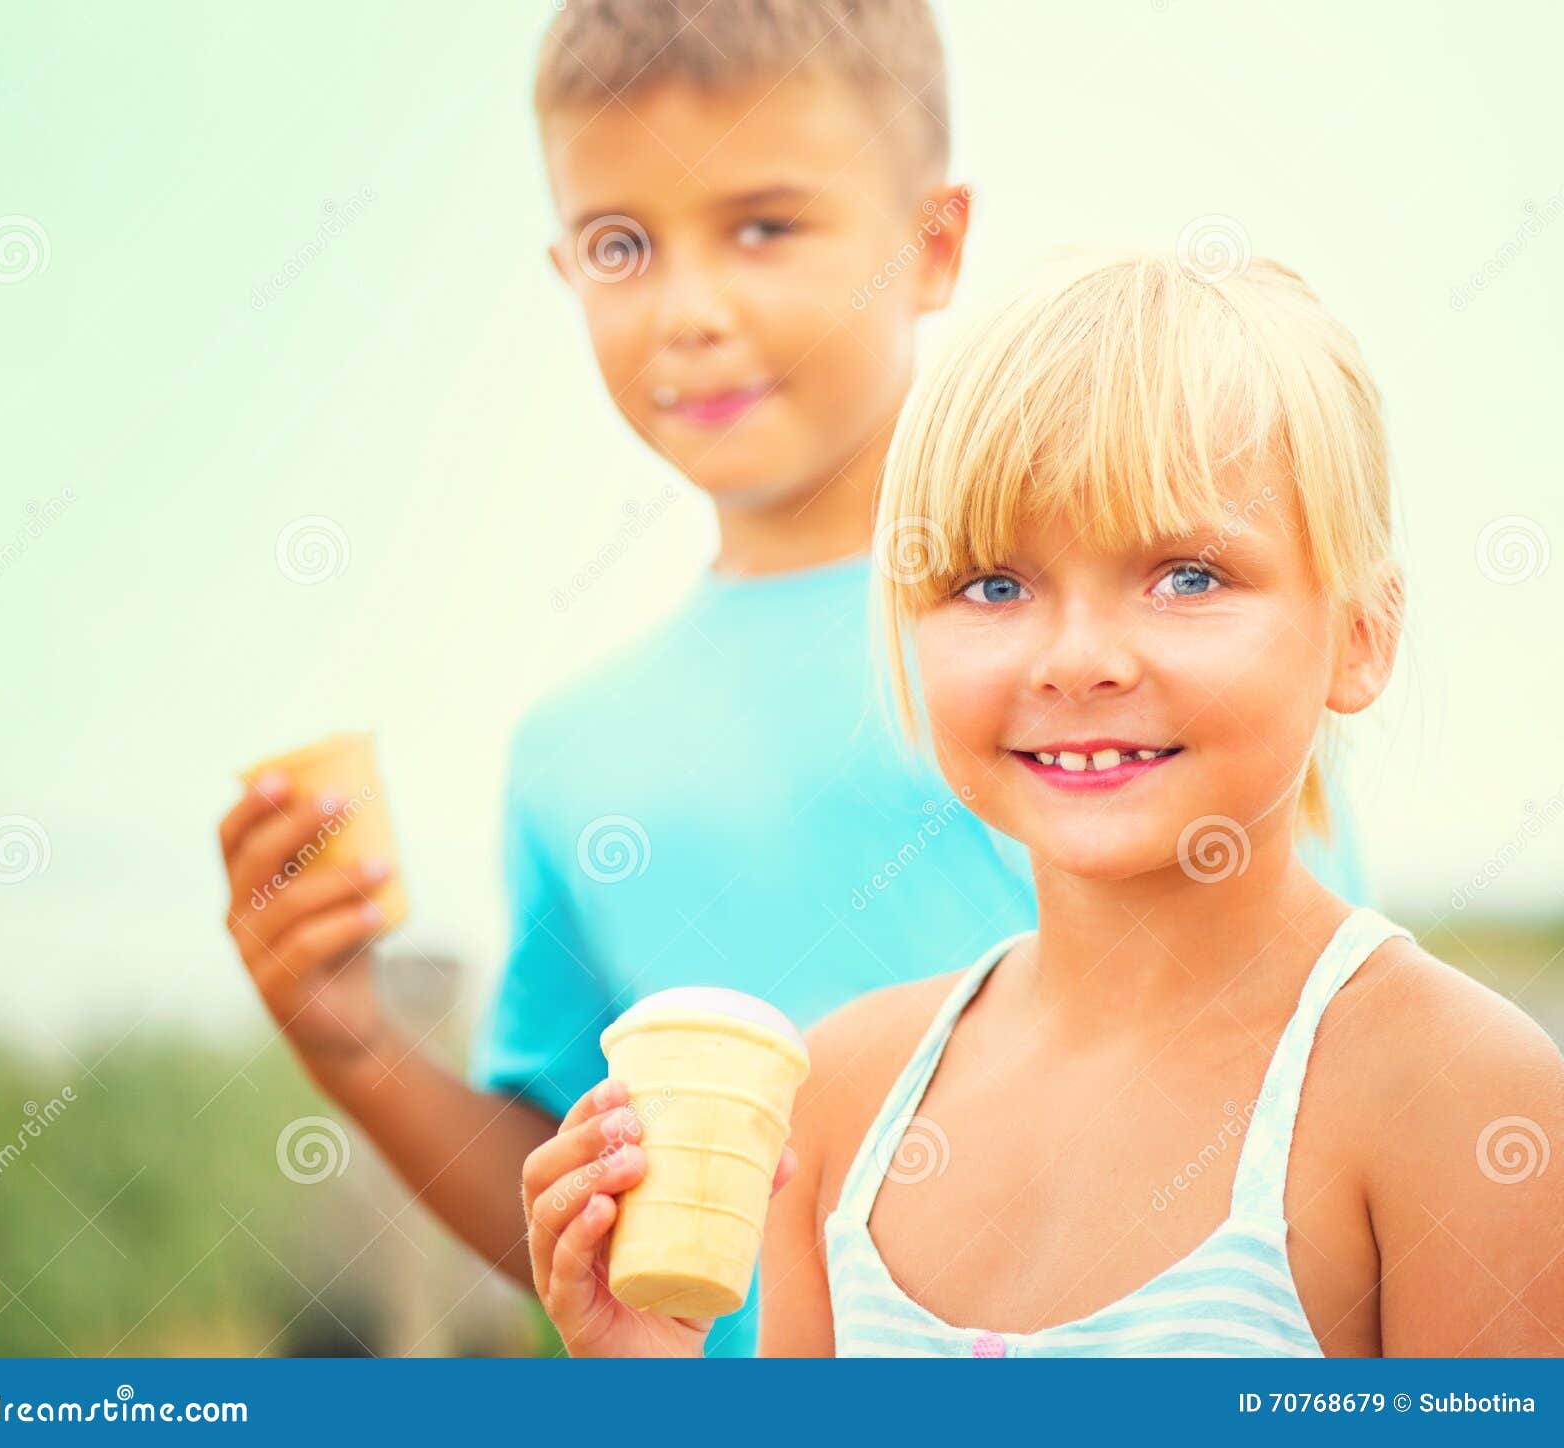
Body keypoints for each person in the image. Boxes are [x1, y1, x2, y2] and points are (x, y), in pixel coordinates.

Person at [217, 0, 1367, 1359]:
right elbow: (585, 1211)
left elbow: (1314, 1057)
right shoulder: (576, 757)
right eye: (621, 245)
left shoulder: (1107, 663)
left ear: (930, 245)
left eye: (764, 227)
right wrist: (349, 1037)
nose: (691, 312)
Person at [522, 251, 1564, 1357]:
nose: (1076, 660)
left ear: (1360, 635)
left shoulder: (1459, 1095)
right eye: (994, 584)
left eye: (1189, 576)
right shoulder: (845, 1097)